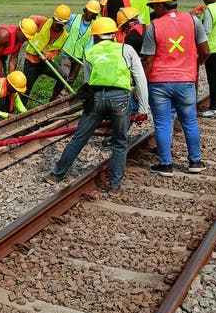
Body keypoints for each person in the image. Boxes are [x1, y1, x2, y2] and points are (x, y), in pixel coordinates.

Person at [47, 17, 149, 193]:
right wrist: (143, 108)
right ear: (113, 35)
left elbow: (87, 82)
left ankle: (56, 174)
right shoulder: (127, 49)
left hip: (95, 98)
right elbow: (140, 80)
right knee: (120, 141)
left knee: (80, 137)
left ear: (95, 37)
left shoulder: (90, 53)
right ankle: (115, 185)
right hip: (120, 99)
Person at [141, 0, 209, 174]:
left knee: (162, 123)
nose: (153, 9)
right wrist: (195, 65)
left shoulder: (153, 26)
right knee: (190, 121)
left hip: (159, 82)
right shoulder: (192, 20)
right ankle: (195, 162)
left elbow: (147, 59)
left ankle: (166, 165)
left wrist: (142, 85)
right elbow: (205, 50)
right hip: (185, 81)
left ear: (161, 5)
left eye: (154, 5)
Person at [23, 5, 71, 98]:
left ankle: (53, 102)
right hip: (31, 61)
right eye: (57, 23)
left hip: (45, 63)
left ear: (66, 23)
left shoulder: (64, 35)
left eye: (61, 24)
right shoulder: (43, 21)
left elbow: (58, 51)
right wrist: (29, 30)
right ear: (53, 18)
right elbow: (29, 19)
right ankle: (21, 111)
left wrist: (50, 54)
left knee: (63, 77)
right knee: (25, 90)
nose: (58, 26)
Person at [195, 0, 216, 117]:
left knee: (213, 79)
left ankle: (214, 108)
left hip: (213, 49)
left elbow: (206, 32)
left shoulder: (210, 10)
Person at [59, 1, 100, 91]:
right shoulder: (73, 17)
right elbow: (60, 24)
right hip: (67, 53)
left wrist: (86, 58)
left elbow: (90, 43)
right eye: (89, 11)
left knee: (71, 79)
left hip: (79, 57)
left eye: (93, 13)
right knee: (63, 76)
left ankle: (64, 95)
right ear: (86, 10)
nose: (90, 14)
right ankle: (58, 95)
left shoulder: (94, 26)